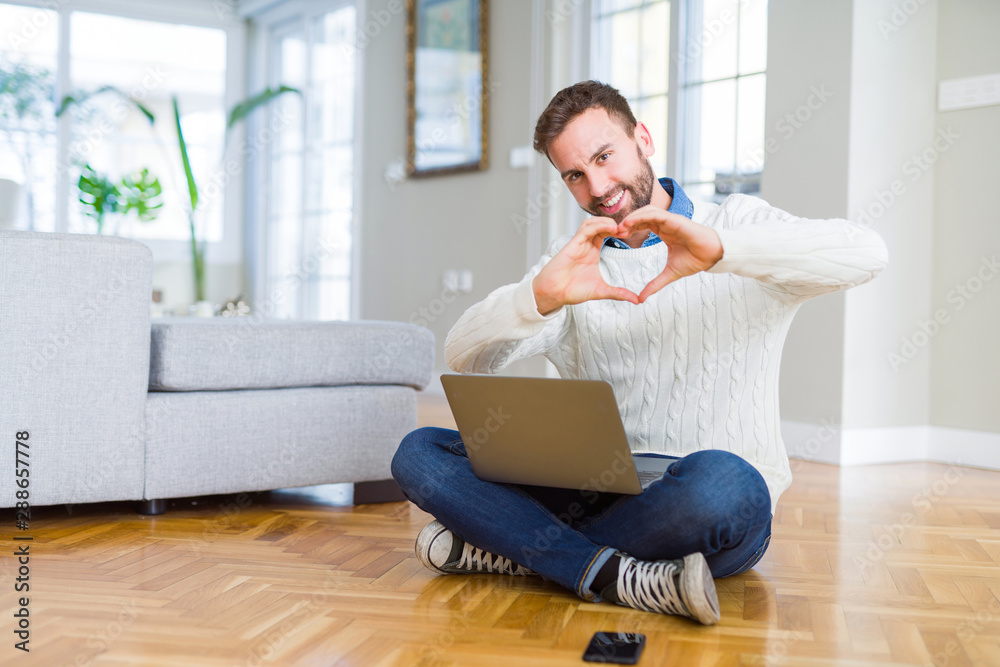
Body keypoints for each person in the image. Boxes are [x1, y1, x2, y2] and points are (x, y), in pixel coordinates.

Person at [391, 80, 888, 625]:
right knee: (419, 451)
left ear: (643, 139)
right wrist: (538, 299)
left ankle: (520, 550)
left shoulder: (736, 225)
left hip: (701, 505)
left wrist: (722, 252)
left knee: (728, 484)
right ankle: (611, 573)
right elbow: (465, 356)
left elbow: (867, 253)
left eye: (604, 156)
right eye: (574, 175)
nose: (598, 186)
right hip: (592, 490)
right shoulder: (574, 265)